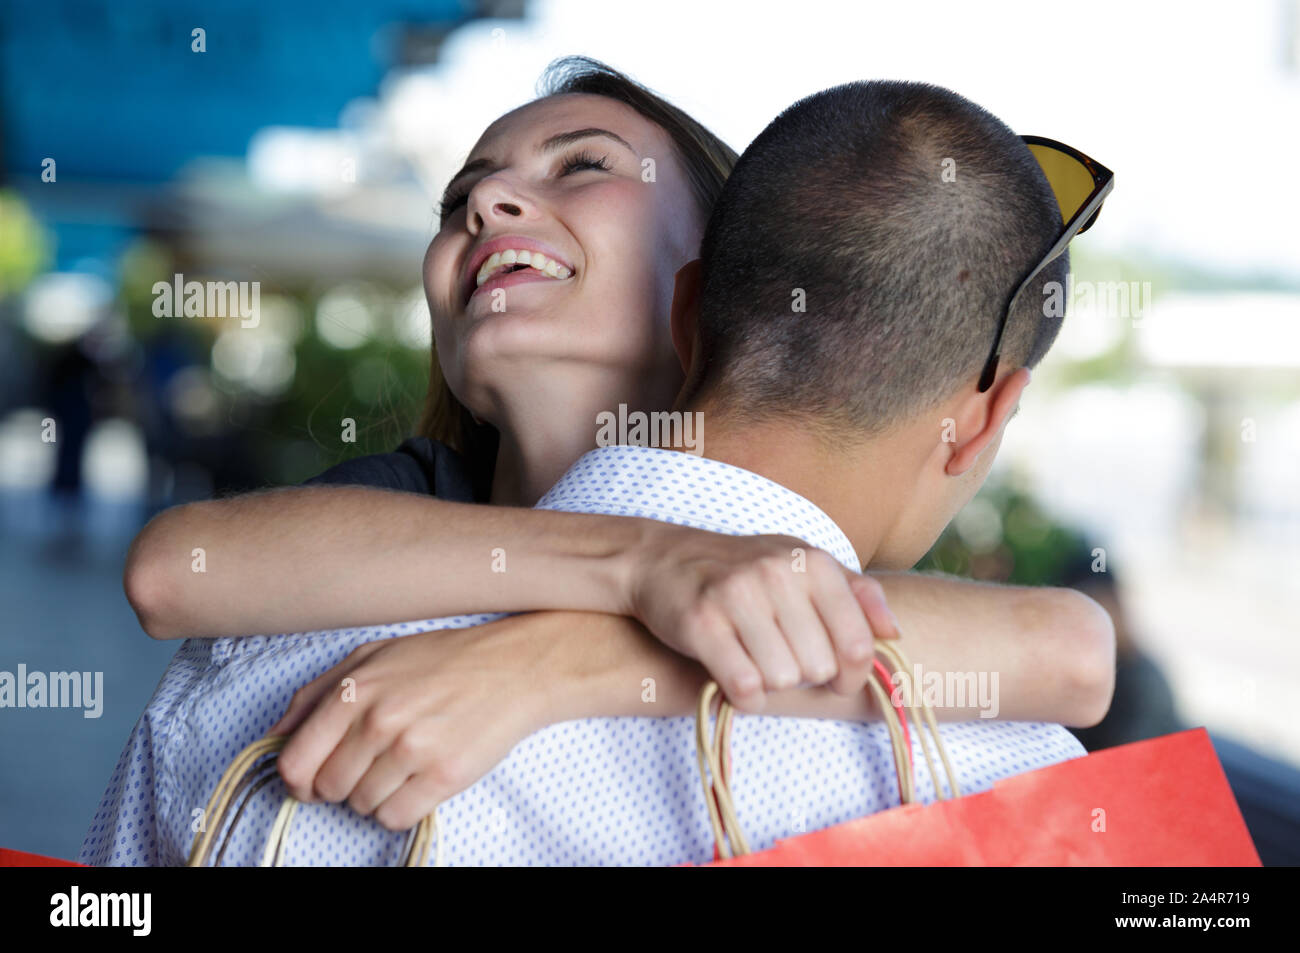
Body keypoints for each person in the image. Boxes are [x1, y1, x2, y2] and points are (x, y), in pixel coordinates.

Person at [81, 77, 1114, 866]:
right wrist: (645, 564)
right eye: (457, 196)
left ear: (705, 292)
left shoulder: (261, 675)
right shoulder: (1000, 779)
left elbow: (1068, 646)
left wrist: (549, 664)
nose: (486, 200)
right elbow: (177, 566)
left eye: (582, 165)